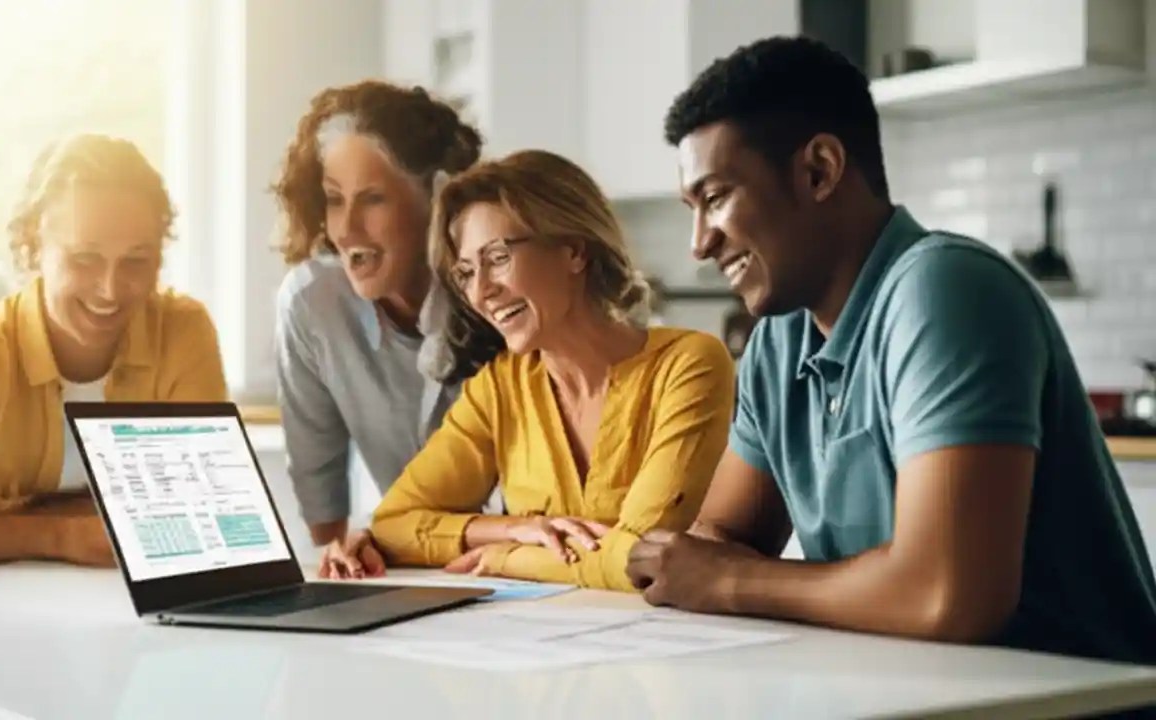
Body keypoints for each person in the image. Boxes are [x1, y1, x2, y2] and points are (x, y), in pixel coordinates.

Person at [625, 36, 1156, 664]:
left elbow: (947, 595)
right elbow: (719, 540)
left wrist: (726, 579)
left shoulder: (944, 288)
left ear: (819, 170)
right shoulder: (776, 341)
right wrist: (705, 565)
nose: (698, 244)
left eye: (715, 199)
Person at [351, 150, 735, 591]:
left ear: (573, 249)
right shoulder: (499, 387)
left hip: (676, 652)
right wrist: (512, 529)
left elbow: (642, 559)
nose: (481, 292)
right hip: (544, 647)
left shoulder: (688, 365)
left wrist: (507, 559)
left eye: (497, 258)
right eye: (466, 272)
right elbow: (394, 524)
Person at [0, 133, 228, 568]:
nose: (111, 290)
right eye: (85, 258)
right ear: (32, 249)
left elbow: (211, 518)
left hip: (150, 618)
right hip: (0, 614)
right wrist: (58, 535)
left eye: (136, 261)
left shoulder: (182, 332)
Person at [271, 81, 486, 578]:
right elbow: (321, 501)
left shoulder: (496, 295)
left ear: (437, 198)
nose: (346, 229)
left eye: (373, 200)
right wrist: (344, 571)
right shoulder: (313, 304)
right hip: (409, 568)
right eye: (333, 199)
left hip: (516, 568)